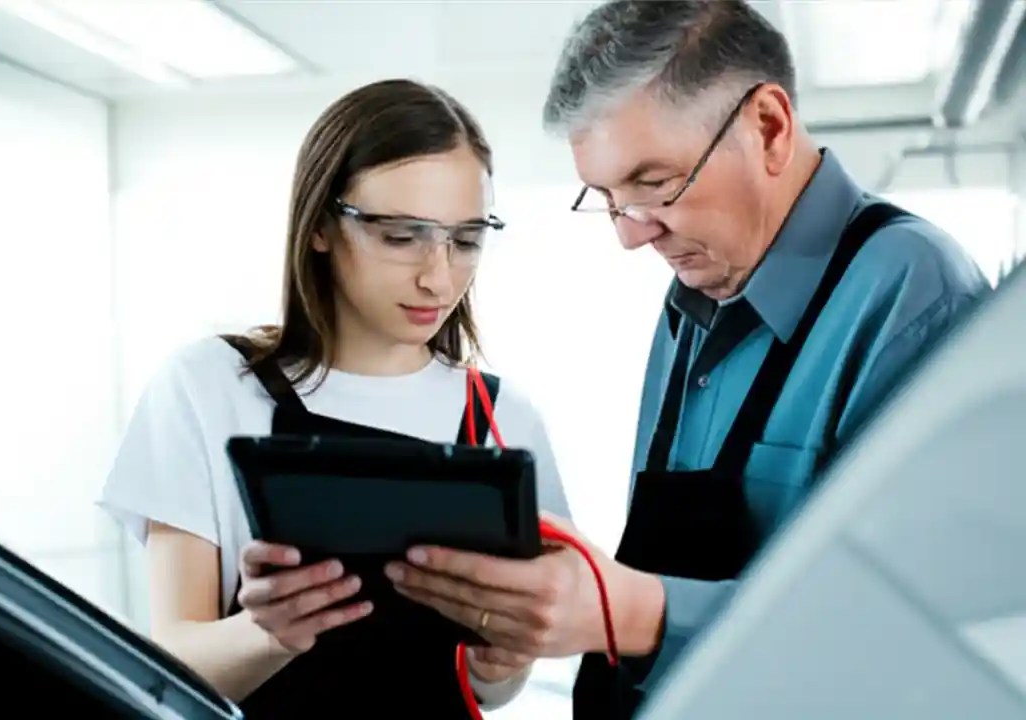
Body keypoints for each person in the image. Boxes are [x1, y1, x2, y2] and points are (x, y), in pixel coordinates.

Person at [383, 2, 992, 717]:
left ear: (768, 127)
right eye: (608, 198)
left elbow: (922, 643)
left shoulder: (914, 292)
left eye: (654, 185)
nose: (631, 238)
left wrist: (633, 615)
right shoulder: (695, 289)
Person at [97, 78, 572, 718]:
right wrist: (264, 633)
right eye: (401, 237)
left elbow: (494, 684)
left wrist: (506, 663)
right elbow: (169, 670)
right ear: (321, 225)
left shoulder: (503, 417)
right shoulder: (208, 387)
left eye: (466, 240)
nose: (439, 276)